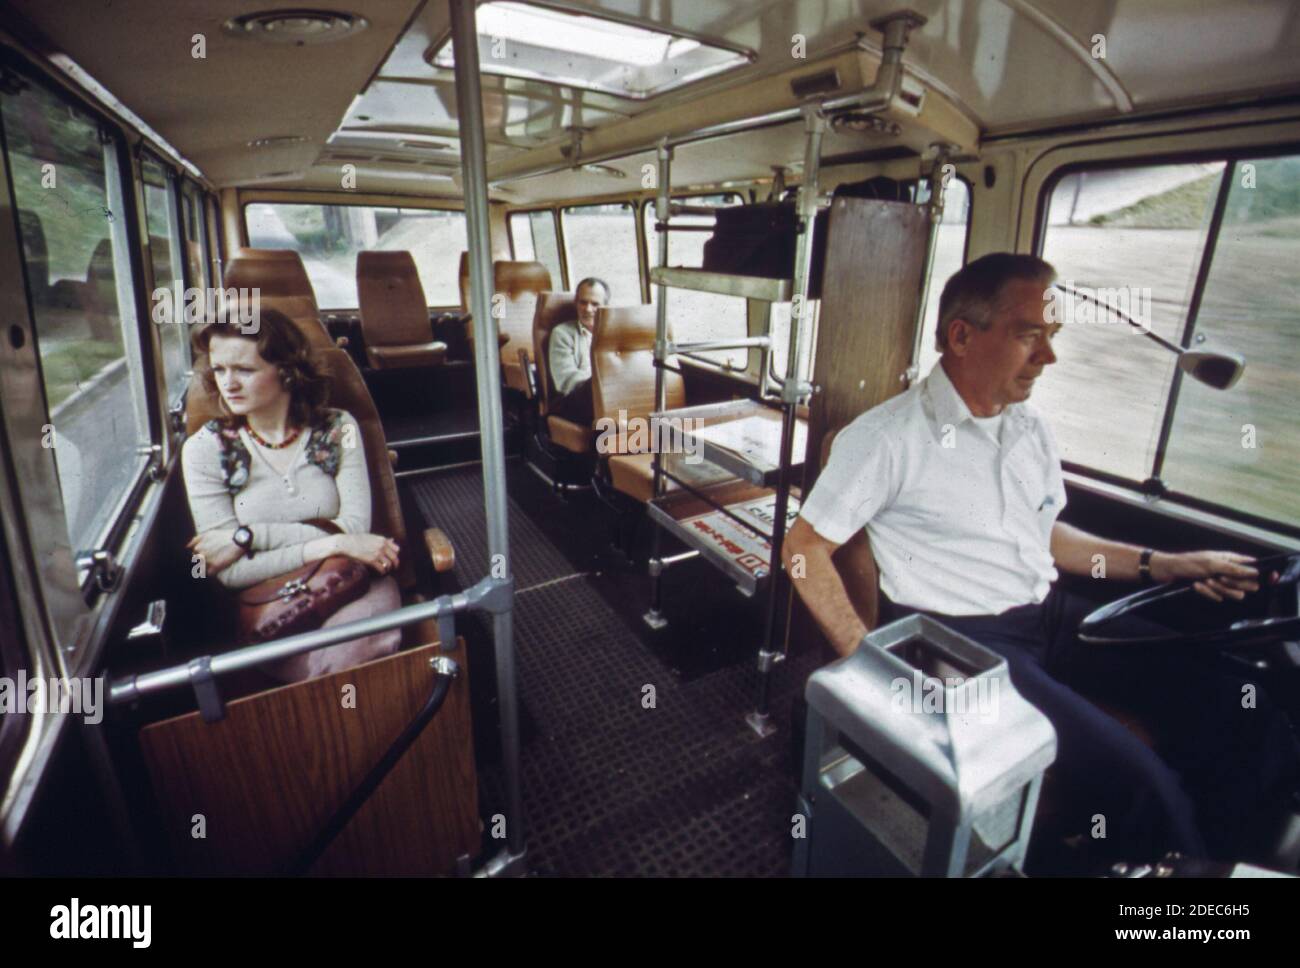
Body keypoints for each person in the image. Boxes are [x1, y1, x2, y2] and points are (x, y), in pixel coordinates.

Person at [784, 252, 1299, 864]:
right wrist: (872, 668)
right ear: (961, 336)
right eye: (1031, 336)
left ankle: (1236, 864)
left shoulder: (1028, 428)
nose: (1048, 357)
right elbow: (803, 549)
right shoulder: (887, 437)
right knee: (1143, 788)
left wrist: (1166, 563)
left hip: (1048, 616)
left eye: (1051, 337)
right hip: (966, 647)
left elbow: (1046, 536)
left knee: (1243, 701)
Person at [182, 305, 402, 683]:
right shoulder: (204, 451)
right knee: (325, 676)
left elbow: (352, 527)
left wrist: (248, 537)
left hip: (352, 580)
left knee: (352, 655)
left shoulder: (338, 428)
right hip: (272, 602)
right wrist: (330, 545)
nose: (228, 384)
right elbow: (231, 572)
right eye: (219, 370)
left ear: (286, 370)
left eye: (244, 370)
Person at [547, 277, 609, 424]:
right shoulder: (561, 333)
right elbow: (567, 380)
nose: (588, 309)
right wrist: (599, 387)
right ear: (575, 303)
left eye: (595, 304)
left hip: (608, 395)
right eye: (583, 302)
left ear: (605, 307)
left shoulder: (613, 334)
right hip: (574, 400)